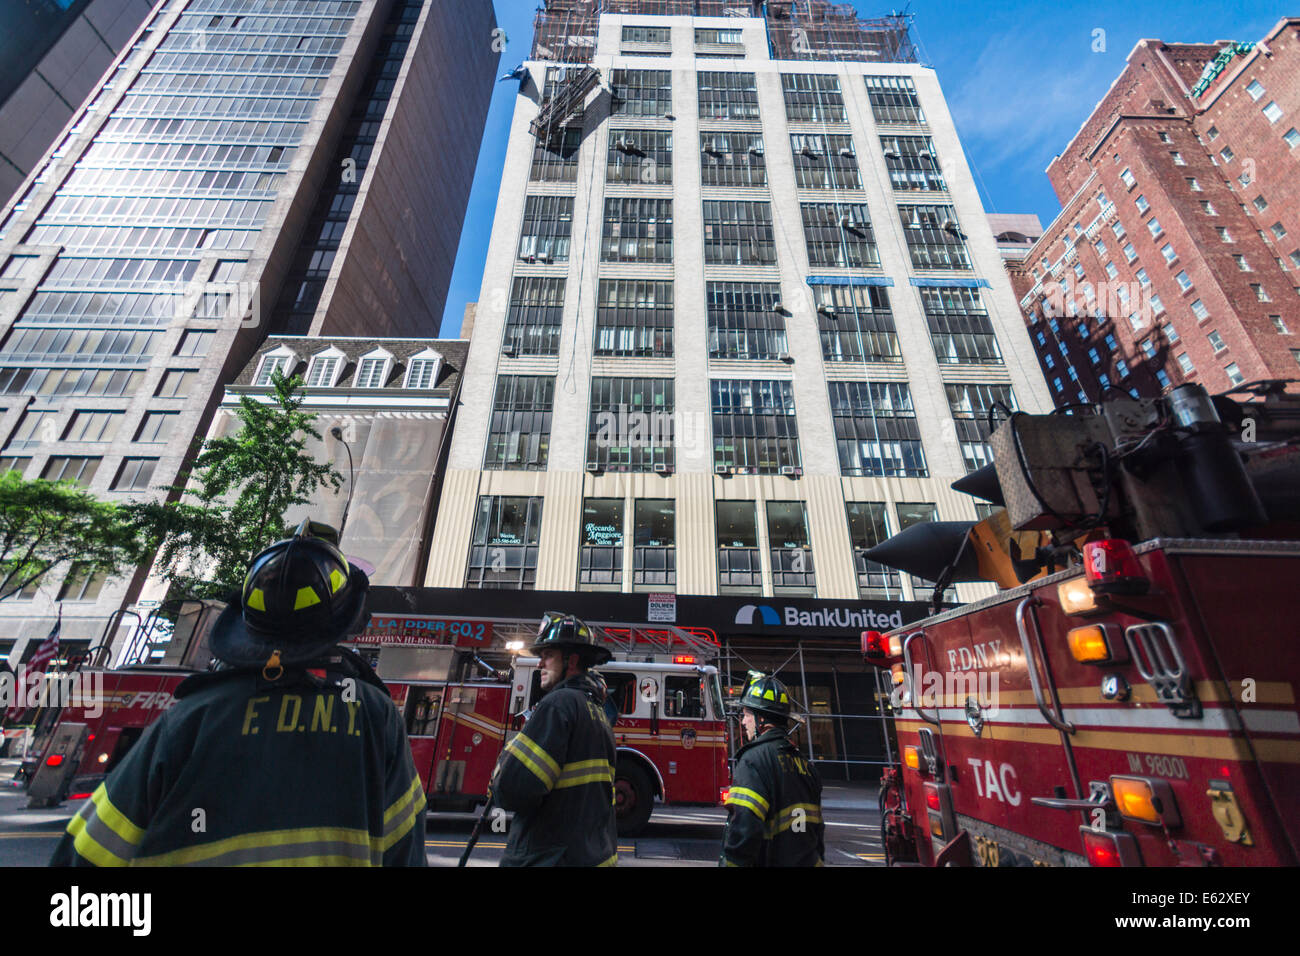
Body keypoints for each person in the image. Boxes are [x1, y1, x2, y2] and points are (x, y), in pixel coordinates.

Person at [51, 520, 426, 867]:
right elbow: (404, 852)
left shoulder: (192, 716)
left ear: (246, 624)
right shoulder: (374, 715)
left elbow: (87, 856)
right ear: (347, 622)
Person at [491, 612, 618, 867]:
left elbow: (513, 790)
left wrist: (502, 768)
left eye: (547, 655)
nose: (540, 664)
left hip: (548, 856)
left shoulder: (559, 705)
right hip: (589, 855)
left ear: (571, 660)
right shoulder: (598, 712)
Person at [720, 673, 825, 867]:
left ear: (761, 719)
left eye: (746, 715)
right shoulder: (806, 765)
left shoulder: (753, 761)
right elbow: (818, 832)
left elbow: (744, 831)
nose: (743, 722)